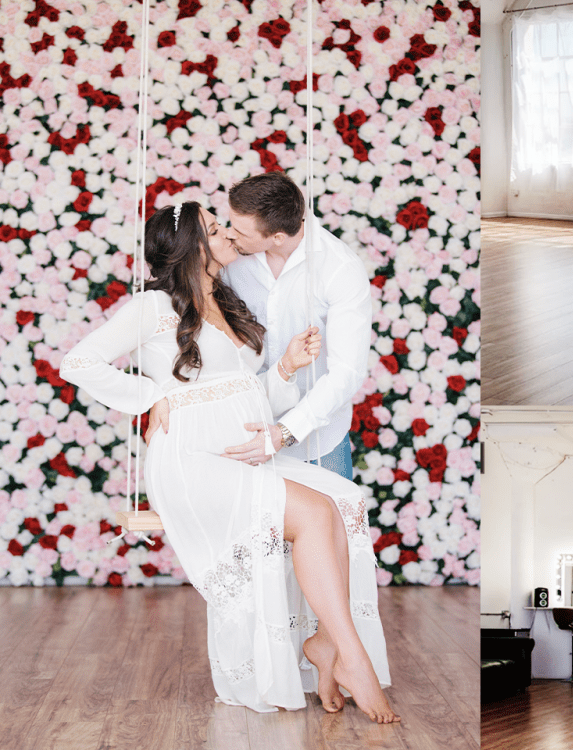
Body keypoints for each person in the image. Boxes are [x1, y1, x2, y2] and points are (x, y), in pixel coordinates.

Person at [59, 202, 398, 723]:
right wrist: (150, 395)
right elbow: (77, 361)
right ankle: (352, 658)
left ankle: (327, 644)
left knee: (340, 498)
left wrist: (285, 366)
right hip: (195, 460)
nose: (228, 236)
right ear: (193, 245)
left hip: (244, 454)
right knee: (311, 514)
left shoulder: (224, 297)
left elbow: (247, 394)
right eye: (215, 230)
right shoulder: (154, 308)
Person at [219, 172, 371, 479]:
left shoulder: (340, 268)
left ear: (277, 237)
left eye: (239, 230)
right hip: (241, 430)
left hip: (318, 441)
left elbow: (347, 372)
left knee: (332, 524)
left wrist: (285, 431)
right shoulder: (229, 255)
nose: (229, 234)